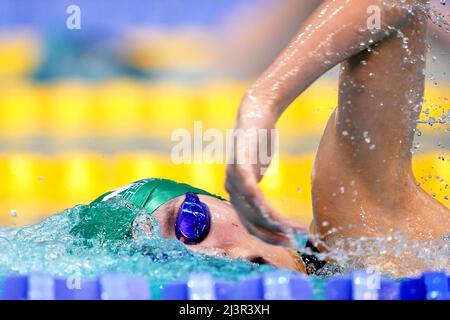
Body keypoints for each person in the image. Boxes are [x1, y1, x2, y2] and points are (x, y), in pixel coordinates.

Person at [225, 0, 450, 272]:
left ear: (223, 202)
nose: (212, 252)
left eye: (191, 222)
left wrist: (263, 99)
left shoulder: (362, 228)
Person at [70, 178, 307, 273]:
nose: (207, 255)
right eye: (164, 259)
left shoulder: (339, 240)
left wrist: (264, 100)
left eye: (190, 221)